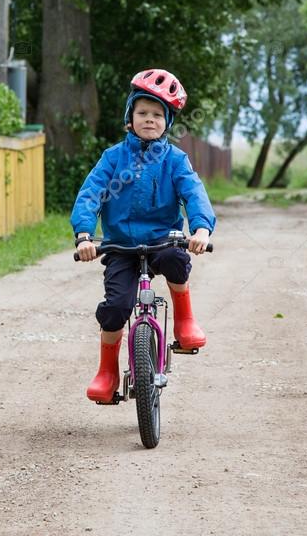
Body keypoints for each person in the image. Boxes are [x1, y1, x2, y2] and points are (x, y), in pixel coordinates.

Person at [72, 68, 216, 403]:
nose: (149, 119)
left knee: (176, 261)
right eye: (142, 113)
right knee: (116, 306)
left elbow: (194, 193)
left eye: (156, 114)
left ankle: (185, 321)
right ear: (129, 118)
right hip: (120, 245)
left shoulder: (175, 160)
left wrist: (201, 229)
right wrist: (84, 235)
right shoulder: (112, 158)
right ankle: (107, 373)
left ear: (166, 122)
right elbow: (90, 194)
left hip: (163, 239)